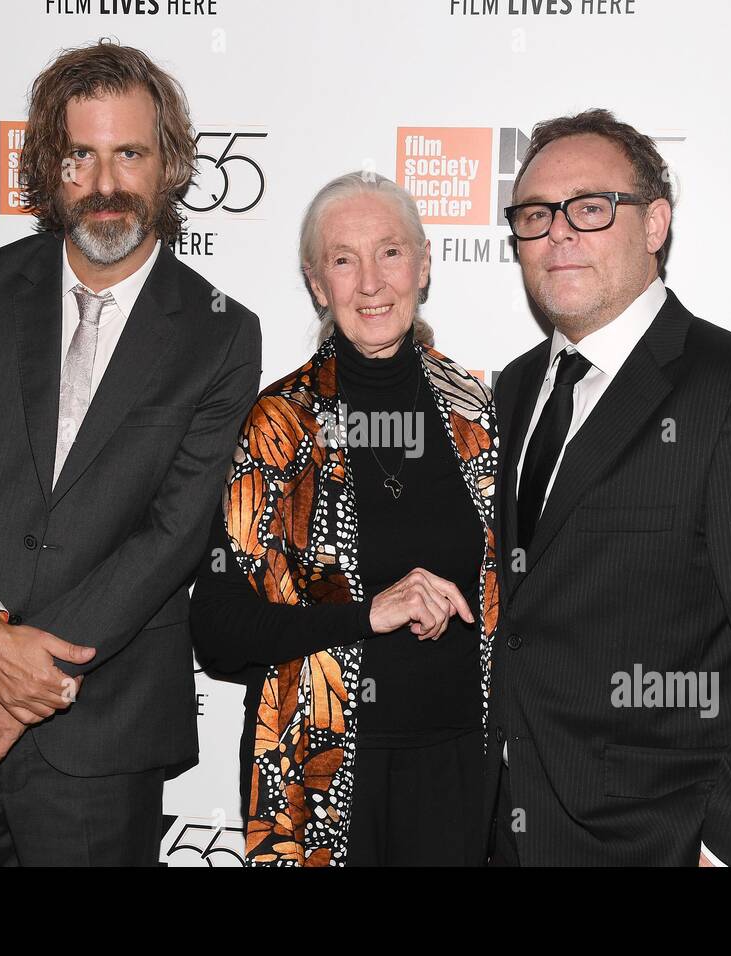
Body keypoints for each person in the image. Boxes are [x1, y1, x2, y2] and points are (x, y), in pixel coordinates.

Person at [0, 41, 261, 865]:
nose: (107, 184)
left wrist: (26, 685)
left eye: (130, 154)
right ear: (50, 165)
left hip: (102, 725)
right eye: (80, 155)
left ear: (170, 166)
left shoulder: (221, 332)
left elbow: (176, 533)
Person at [487, 109, 731, 866]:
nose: (557, 233)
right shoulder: (513, 391)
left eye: (590, 208)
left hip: (659, 845)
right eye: (533, 214)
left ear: (655, 224)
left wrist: (730, 852)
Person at [190, 172, 500, 866]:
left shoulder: (483, 415)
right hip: (316, 776)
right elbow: (217, 628)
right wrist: (366, 615)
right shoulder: (278, 426)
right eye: (342, 259)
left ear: (424, 265)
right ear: (316, 282)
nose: (369, 282)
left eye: (390, 252)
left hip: (461, 777)